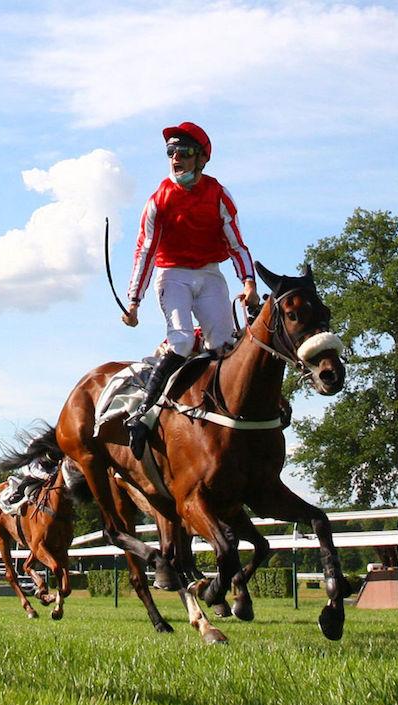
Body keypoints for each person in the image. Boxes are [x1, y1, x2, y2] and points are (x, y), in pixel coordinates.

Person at [122, 121, 260, 457]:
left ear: (201, 159)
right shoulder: (158, 200)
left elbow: (236, 245)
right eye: (170, 152)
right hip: (173, 275)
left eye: (183, 152)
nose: (175, 158)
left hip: (210, 275)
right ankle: (143, 412)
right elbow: (146, 251)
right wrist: (134, 301)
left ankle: (224, 415)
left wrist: (249, 282)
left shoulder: (218, 195)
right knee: (182, 340)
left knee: (225, 345)